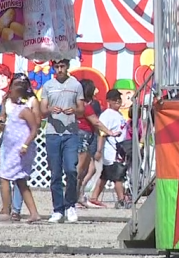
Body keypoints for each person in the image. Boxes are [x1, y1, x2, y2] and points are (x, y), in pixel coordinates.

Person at [39, 59, 85, 223]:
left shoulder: (76, 85)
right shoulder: (48, 86)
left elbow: (82, 110)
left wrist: (75, 110)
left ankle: (70, 204)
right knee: (55, 173)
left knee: (71, 170)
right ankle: (58, 209)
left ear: (67, 67)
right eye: (57, 67)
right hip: (52, 133)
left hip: (70, 132)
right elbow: (42, 110)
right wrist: (50, 109)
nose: (59, 69)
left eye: (62, 66)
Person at [0, 80, 43, 223]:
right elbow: (5, 122)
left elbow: (34, 129)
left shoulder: (25, 110)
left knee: (4, 177)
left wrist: (25, 145)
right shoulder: (13, 109)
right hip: (10, 148)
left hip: (20, 150)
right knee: (21, 181)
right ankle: (34, 213)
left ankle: (6, 210)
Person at [76, 79, 115, 209]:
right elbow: (96, 122)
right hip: (83, 136)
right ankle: (74, 198)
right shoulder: (84, 106)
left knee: (85, 170)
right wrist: (109, 132)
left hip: (86, 136)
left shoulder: (81, 104)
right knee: (80, 170)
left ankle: (79, 196)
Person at [89, 89, 130, 209]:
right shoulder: (106, 115)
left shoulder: (119, 114)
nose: (118, 101)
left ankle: (94, 197)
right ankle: (121, 199)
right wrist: (99, 150)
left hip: (119, 149)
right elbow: (101, 133)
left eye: (119, 98)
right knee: (118, 175)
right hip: (112, 150)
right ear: (109, 101)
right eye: (114, 99)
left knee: (105, 175)